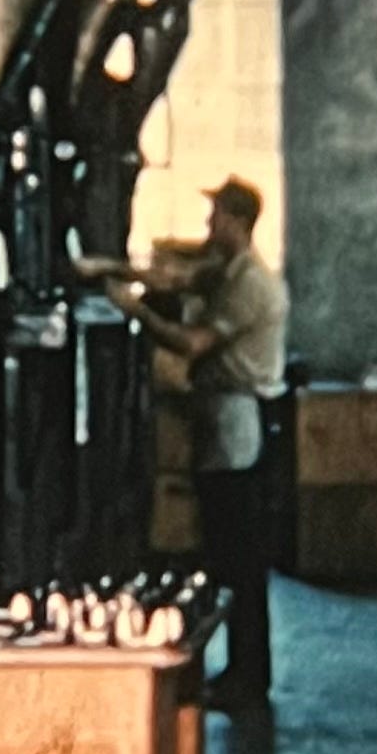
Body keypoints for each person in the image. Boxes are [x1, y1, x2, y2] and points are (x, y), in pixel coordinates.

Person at [114, 179, 289, 712]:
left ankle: (246, 679)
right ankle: (240, 673)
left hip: (238, 422)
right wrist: (120, 273)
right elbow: (180, 275)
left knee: (238, 558)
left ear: (238, 221)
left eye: (216, 218)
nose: (209, 227)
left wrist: (137, 314)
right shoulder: (228, 275)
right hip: (221, 419)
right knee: (227, 555)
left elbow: (193, 344)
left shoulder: (249, 285)